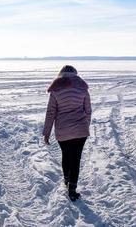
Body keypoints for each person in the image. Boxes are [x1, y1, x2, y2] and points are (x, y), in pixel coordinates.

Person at [43, 65, 92, 202]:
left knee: (66, 155)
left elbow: (50, 113)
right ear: (75, 74)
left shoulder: (56, 89)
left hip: (62, 130)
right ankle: (72, 189)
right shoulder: (82, 88)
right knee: (76, 159)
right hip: (80, 131)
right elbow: (88, 110)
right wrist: (85, 125)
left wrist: (46, 132)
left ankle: (66, 180)